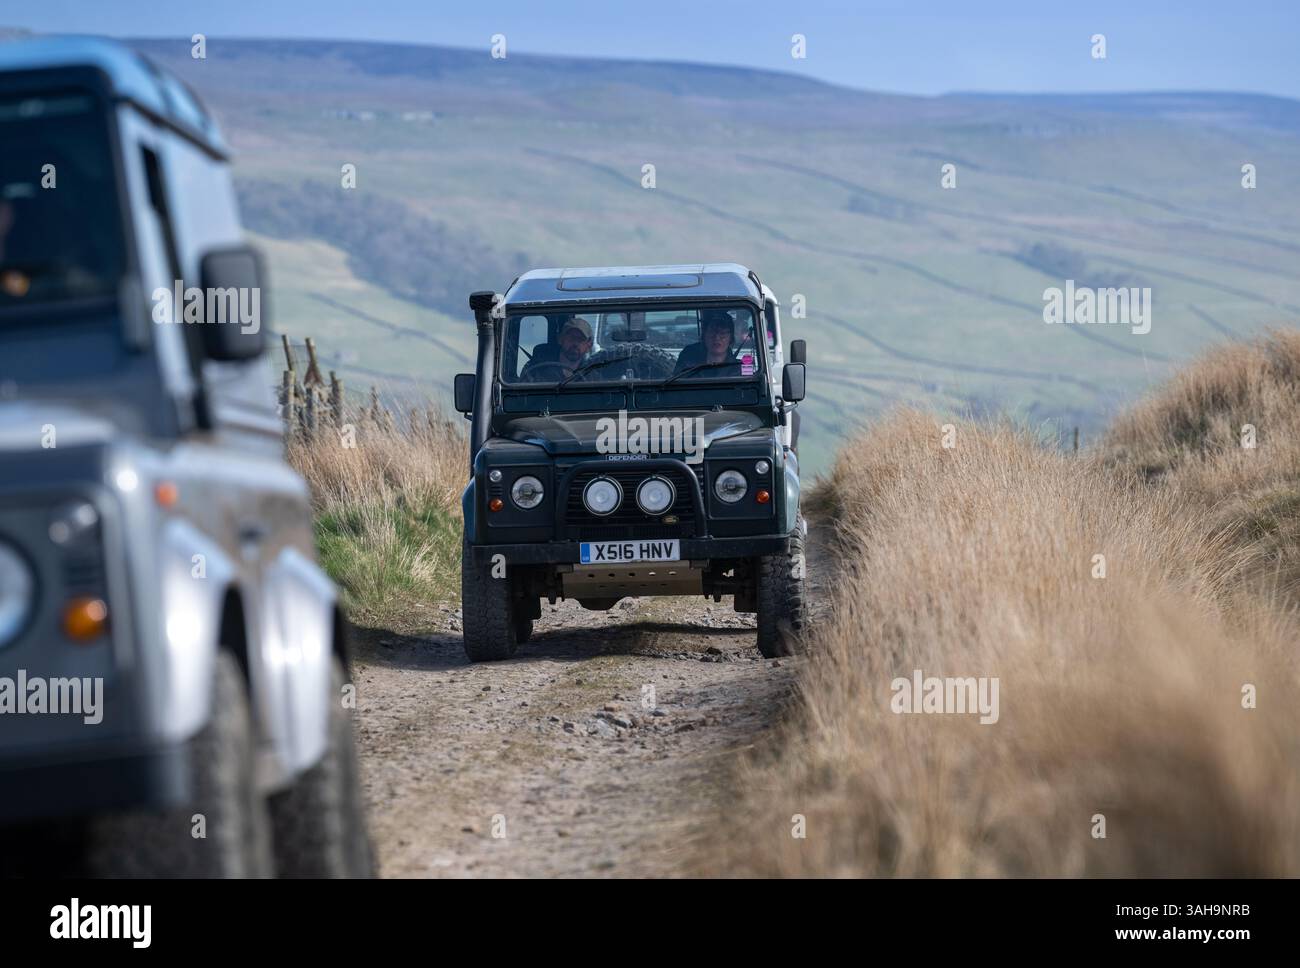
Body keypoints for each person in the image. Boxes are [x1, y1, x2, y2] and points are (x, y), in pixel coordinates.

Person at [672, 309, 741, 377]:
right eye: (712, 332)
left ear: (730, 338)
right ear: (704, 335)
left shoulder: (739, 370)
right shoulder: (687, 361)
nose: (717, 337)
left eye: (722, 333)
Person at [523, 315, 593, 380]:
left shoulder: (593, 375)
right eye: (571, 338)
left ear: (588, 345)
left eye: (580, 339)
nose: (575, 343)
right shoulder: (535, 370)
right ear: (560, 339)